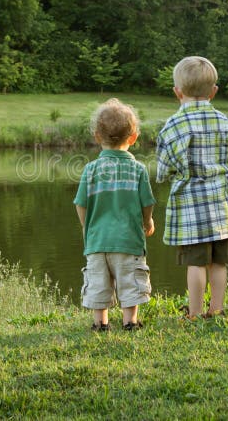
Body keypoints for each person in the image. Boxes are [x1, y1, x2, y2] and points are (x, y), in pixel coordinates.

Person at [156, 56, 228, 320]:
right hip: (221, 207)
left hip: (190, 209)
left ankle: (194, 313)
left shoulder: (173, 126)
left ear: (177, 92)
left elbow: (163, 169)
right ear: (213, 92)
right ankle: (216, 308)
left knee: (195, 263)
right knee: (219, 262)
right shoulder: (226, 123)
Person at [74, 98, 156, 331]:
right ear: (133, 137)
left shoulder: (91, 169)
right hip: (128, 240)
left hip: (97, 240)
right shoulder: (137, 169)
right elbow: (147, 202)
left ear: (97, 136)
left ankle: (100, 323)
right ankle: (130, 322)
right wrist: (147, 221)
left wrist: (86, 226)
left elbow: (80, 203)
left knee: (99, 283)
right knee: (130, 282)